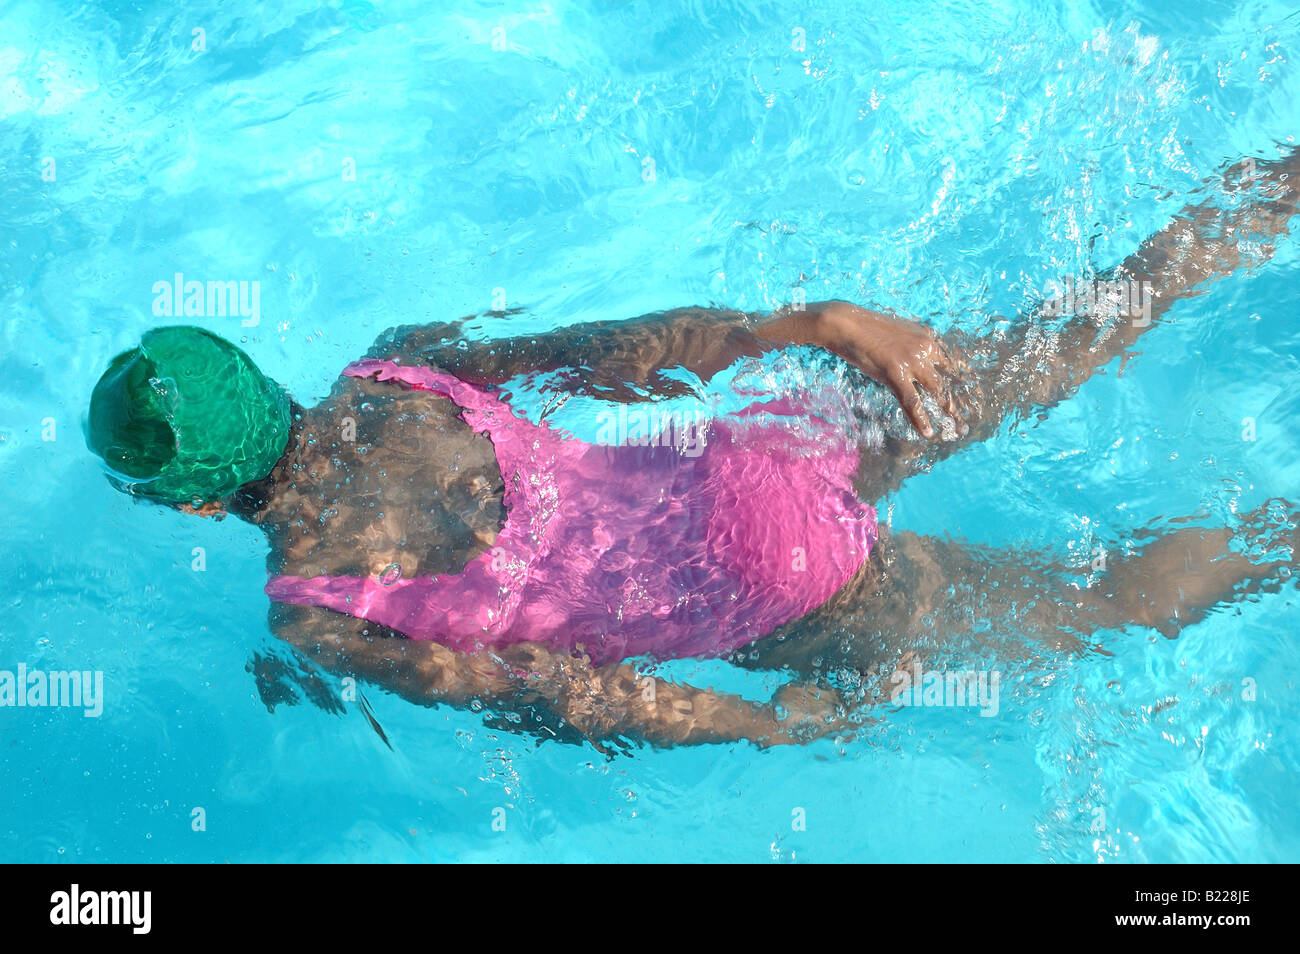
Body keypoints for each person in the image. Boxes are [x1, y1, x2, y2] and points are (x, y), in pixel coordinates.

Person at [86, 149, 1300, 749]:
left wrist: (762, 729)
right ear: (254, 373)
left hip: (755, 588)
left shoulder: (316, 613)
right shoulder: (398, 367)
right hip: (747, 461)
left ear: (192, 508)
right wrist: (805, 325)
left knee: (1077, 604)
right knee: (1058, 338)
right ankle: (1259, 201)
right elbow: (617, 353)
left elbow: (554, 693)